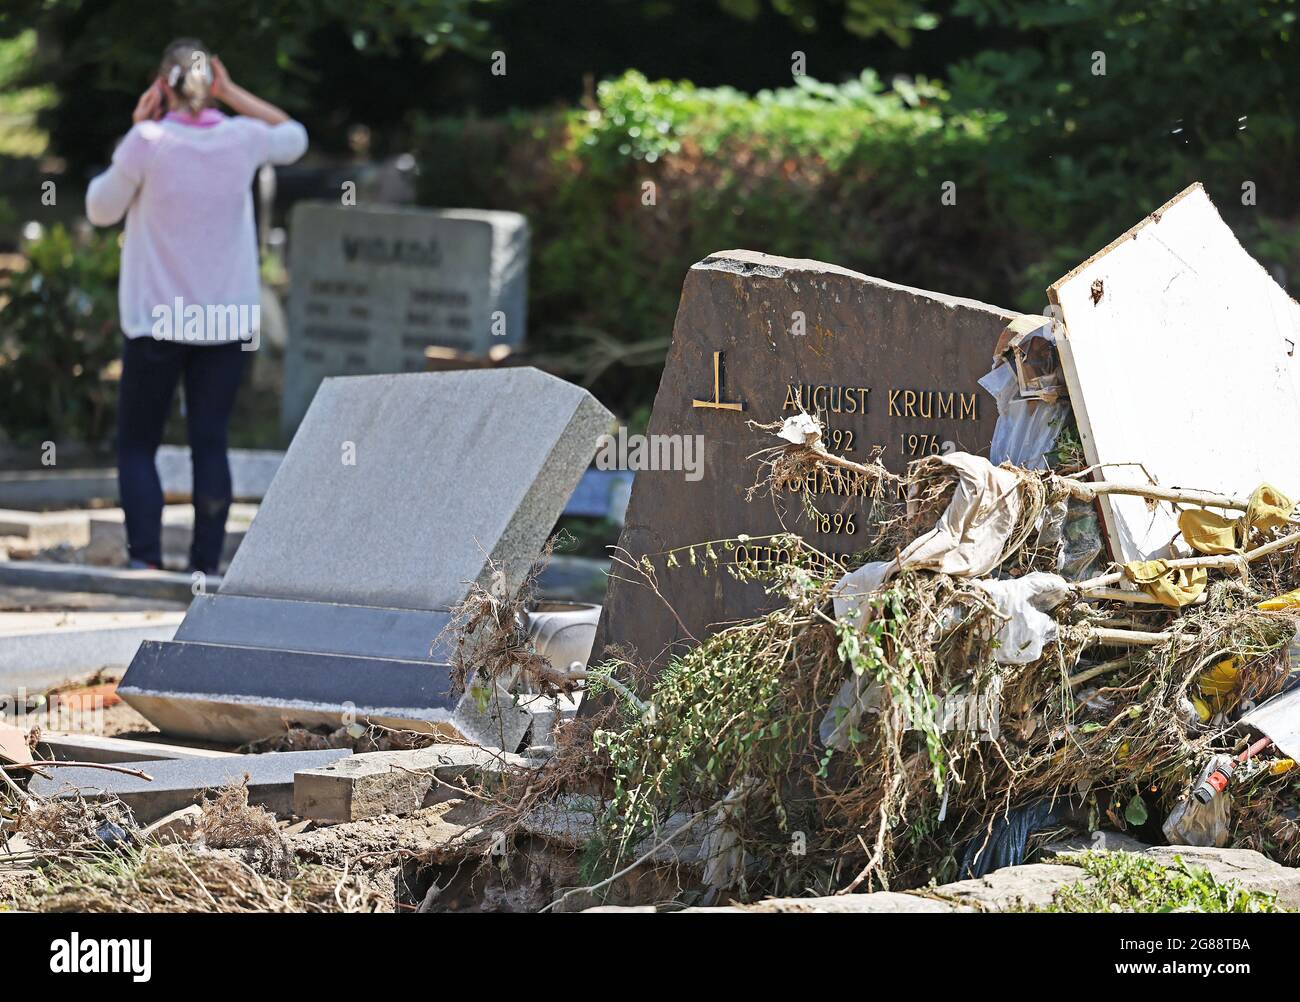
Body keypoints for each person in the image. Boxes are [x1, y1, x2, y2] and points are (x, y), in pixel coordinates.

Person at [86, 39, 307, 575]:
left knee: (139, 444)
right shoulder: (241, 137)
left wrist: (135, 131)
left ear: (161, 86)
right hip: (225, 321)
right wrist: (234, 94)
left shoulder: (148, 141)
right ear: (212, 85)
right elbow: (294, 136)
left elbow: (99, 209)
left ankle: (145, 559)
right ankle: (205, 566)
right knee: (210, 440)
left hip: (157, 320)